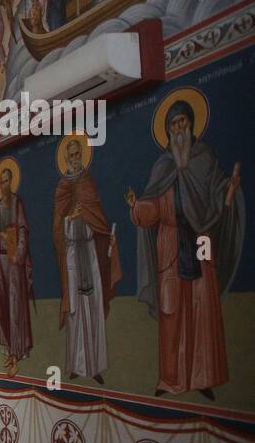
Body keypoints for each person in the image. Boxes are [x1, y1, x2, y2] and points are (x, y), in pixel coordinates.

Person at [128, 97, 243, 398]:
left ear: (192, 126)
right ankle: (170, 379)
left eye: (183, 123)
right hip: (171, 246)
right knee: (172, 315)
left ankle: (202, 378)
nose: (179, 129)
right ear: (167, 131)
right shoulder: (163, 166)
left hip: (201, 242)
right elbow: (152, 207)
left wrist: (229, 191)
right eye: (174, 125)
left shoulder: (205, 158)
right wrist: (137, 208)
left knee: (201, 312)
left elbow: (217, 198)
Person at [53, 137, 120, 384]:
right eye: (70, 156)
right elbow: (58, 227)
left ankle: (94, 367)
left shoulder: (89, 183)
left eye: (76, 154)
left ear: (81, 154)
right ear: (66, 159)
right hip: (72, 257)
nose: (74, 159)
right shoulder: (62, 187)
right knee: (76, 315)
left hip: (91, 255)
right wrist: (71, 218)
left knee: (92, 312)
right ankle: (75, 365)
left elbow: (98, 219)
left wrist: (107, 240)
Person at [0, 163, 33, 376]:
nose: (4, 185)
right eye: (1, 182)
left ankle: (17, 353)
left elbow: (23, 230)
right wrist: (2, 237)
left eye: (7, 181)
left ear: (11, 182)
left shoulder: (17, 204)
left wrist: (19, 253)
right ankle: (8, 348)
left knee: (15, 307)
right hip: (2, 264)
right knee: (3, 307)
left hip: (14, 263)